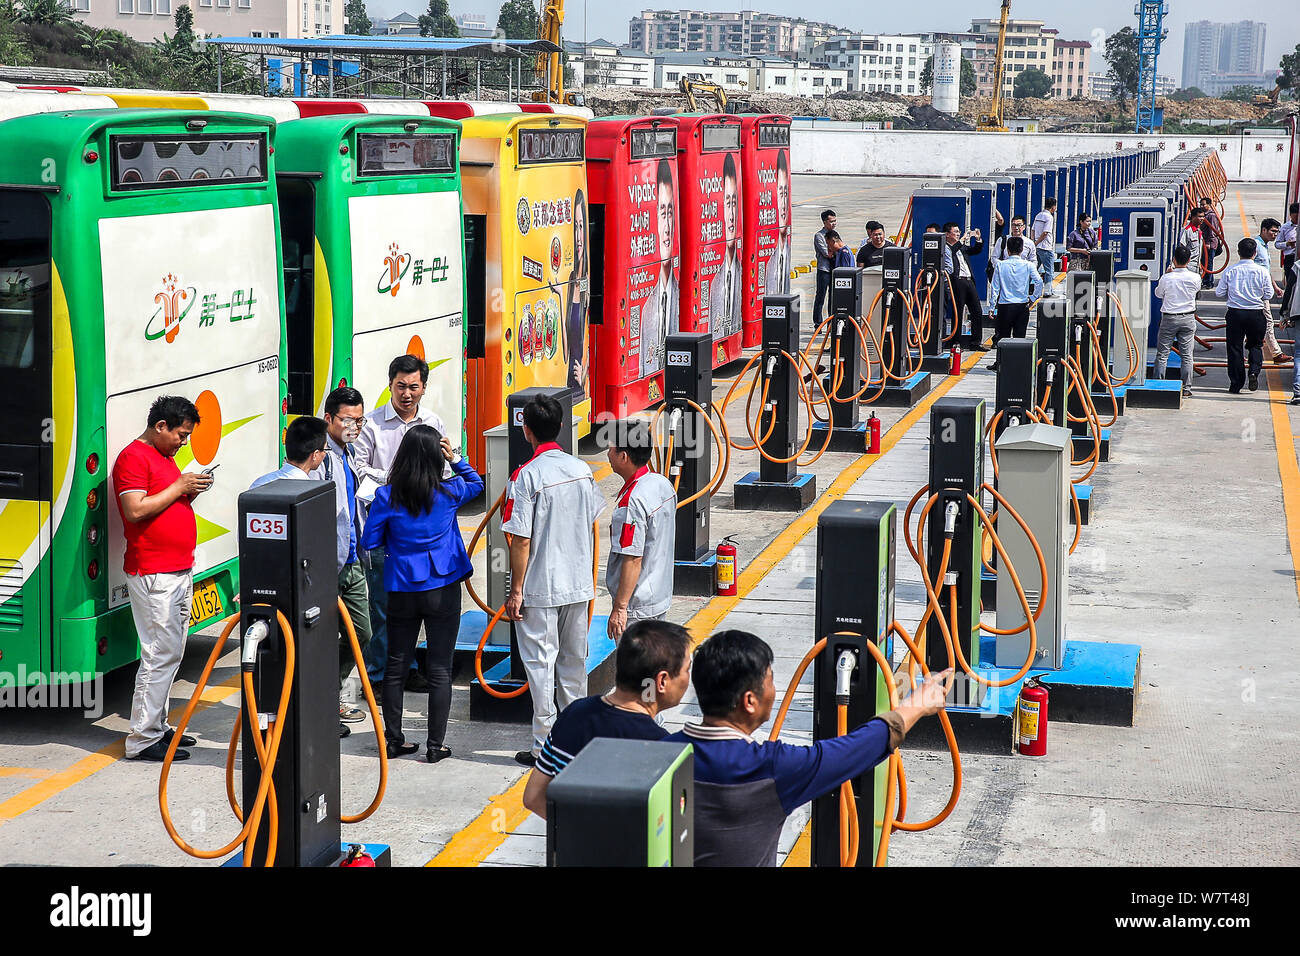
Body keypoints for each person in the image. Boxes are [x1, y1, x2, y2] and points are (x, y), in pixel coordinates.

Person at [664, 631, 954, 867]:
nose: (774, 690)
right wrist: (917, 705)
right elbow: (854, 751)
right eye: (770, 681)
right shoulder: (772, 769)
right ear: (750, 701)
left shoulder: (657, 755)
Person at [360, 425, 482, 763]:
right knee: (440, 669)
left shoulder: (386, 496)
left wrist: (395, 545)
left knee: (396, 665)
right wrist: (455, 458)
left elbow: (369, 542)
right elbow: (477, 483)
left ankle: (395, 740)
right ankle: (434, 745)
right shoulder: (448, 493)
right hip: (442, 586)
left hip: (401, 588)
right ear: (434, 458)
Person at [503, 394, 606, 767]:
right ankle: (577, 740)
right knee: (573, 664)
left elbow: (520, 539)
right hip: (578, 584)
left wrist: (516, 592)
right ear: (561, 428)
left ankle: (543, 747)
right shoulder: (582, 470)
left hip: (541, 589)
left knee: (540, 667)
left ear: (526, 430)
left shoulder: (525, 476)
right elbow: (593, 517)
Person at [114, 396, 213, 762]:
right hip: (154, 572)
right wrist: (179, 487)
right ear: (160, 427)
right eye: (181, 435)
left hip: (176, 568)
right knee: (158, 654)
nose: (183, 442)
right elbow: (135, 508)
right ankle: (142, 738)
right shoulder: (133, 458)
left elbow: (165, 503)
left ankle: (158, 724)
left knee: (171, 652)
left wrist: (187, 489)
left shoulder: (164, 458)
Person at [521, 620, 692, 819]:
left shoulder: (573, 714)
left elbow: (532, 797)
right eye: (686, 669)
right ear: (661, 681)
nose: (688, 678)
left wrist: (574, 834)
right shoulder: (661, 746)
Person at [354, 353, 453, 694]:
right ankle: (380, 675)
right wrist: (398, 480)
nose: (406, 393)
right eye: (400, 386)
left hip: (421, 537)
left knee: (411, 611)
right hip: (384, 533)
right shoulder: (372, 425)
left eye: (413, 387)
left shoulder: (433, 423)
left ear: (423, 388)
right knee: (382, 609)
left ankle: (407, 669)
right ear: (390, 385)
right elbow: (359, 470)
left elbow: (443, 472)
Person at [322, 387, 373, 727]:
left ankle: (332, 688)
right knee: (321, 636)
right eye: (347, 420)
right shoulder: (319, 457)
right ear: (329, 419)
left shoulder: (348, 451)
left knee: (361, 633)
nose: (354, 427)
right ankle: (323, 702)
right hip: (327, 564)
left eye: (359, 420)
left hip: (352, 559)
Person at [604, 420, 676, 641]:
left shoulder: (632, 502)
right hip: (660, 596)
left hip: (638, 608)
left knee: (636, 671)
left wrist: (620, 608)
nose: (608, 454)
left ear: (624, 456)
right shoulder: (662, 484)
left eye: (611, 448)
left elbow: (633, 558)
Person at [1215, 237, 1275, 394]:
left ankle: (1236, 383)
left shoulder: (1230, 270)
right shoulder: (1262, 271)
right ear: (1255, 253)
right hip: (1255, 313)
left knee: (1235, 348)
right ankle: (1254, 372)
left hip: (1235, 313)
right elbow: (1268, 294)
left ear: (1238, 253)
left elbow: (1219, 292)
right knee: (1256, 345)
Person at [641, 159, 679, 378]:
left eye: (671, 213)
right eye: (662, 213)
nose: (667, 226)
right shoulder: (646, 311)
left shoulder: (678, 290)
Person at [1152, 246, 1202, 398]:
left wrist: (1167, 275)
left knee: (1162, 354)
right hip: (1188, 318)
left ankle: (1158, 386)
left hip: (1169, 318)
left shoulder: (1167, 277)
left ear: (1174, 259)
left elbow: (1158, 293)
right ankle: (1186, 388)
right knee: (1187, 355)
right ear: (1188, 260)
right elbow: (1196, 292)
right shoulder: (1195, 277)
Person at [987, 236, 1039, 363]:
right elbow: (1039, 282)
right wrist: (1033, 298)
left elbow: (995, 287)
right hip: (1022, 305)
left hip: (1005, 306)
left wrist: (992, 307)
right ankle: (1018, 363)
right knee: (1019, 337)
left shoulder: (1000, 265)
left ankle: (1000, 363)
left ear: (1007, 251)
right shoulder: (1029, 265)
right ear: (1021, 250)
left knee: (1002, 338)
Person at [709, 154, 743, 339]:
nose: (731, 214)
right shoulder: (714, 284)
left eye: (734, 203)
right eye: (727, 203)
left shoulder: (741, 270)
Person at [562, 188, 590, 396]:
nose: (579, 236)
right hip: (568, 380)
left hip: (580, 381)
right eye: (575, 228)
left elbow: (589, 338)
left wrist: (586, 372)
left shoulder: (587, 280)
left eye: (582, 227)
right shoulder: (571, 280)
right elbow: (566, 351)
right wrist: (561, 296)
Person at [249, 416, 328, 489]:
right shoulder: (311, 493)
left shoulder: (259, 483)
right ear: (315, 454)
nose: (325, 454)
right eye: (325, 450)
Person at [942, 221, 986, 349]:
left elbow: (975, 250)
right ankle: (956, 340)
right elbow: (951, 252)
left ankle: (976, 342)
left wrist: (978, 239)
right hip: (957, 281)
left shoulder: (961, 247)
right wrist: (961, 240)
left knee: (976, 310)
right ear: (947, 234)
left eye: (958, 232)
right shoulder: (946, 247)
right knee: (958, 311)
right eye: (955, 232)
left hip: (968, 280)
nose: (958, 234)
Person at [1252, 218, 1288, 364]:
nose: (1275, 235)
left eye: (1277, 232)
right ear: (1264, 230)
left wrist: (1275, 286)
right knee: (1267, 322)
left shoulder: (1263, 246)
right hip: (1258, 292)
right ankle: (1276, 353)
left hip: (1262, 290)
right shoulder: (1257, 246)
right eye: (1273, 231)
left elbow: (1265, 271)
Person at [764, 151, 792, 295]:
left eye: (786, 193)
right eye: (780, 193)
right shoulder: (769, 265)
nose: (783, 203)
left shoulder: (786, 251)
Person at [812, 209, 837, 325]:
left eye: (835, 221)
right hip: (824, 270)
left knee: (833, 298)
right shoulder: (819, 236)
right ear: (824, 222)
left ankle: (830, 323)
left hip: (834, 269)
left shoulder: (835, 235)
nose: (834, 224)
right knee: (820, 297)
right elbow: (827, 253)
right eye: (831, 221)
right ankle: (817, 322)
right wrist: (835, 250)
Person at [1277, 203, 1298, 317]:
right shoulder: (1285, 227)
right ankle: (1284, 309)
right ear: (1290, 215)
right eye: (1295, 217)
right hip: (1290, 259)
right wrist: (1287, 244)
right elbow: (1277, 244)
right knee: (1290, 285)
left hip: (1298, 258)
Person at [1031, 197, 1057, 280]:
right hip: (1045, 247)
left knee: (1034, 269)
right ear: (1053, 207)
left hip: (1037, 247)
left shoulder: (1038, 215)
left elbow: (1033, 230)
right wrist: (1036, 242)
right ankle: (1048, 290)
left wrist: (1034, 242)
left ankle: (1025, 287)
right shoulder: (1049, 217)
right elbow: (1045, 233)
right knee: (1049, 271)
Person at [1200, 199, 1223, 288]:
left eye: (1203, 205)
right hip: (1205, 242)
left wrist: (1209, 243)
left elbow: (1212, 231)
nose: (1201, 206)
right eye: (1200, 204)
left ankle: (1208, 282)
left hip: (1210, 244)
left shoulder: (1211, 216)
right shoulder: (1204, 215)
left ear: (1209, 205)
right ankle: (1207, 280)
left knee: (1208, 263)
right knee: (1204, 262)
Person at [1179, 208, 1206, 279]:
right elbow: (1181, 248)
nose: (1202, 218)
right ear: (1193, 217)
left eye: (1203, 216)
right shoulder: (1187, 231)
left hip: (1196, 267)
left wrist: (1200, 264)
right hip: (1188, 267)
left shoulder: (1198, 230)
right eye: (1199, 216)